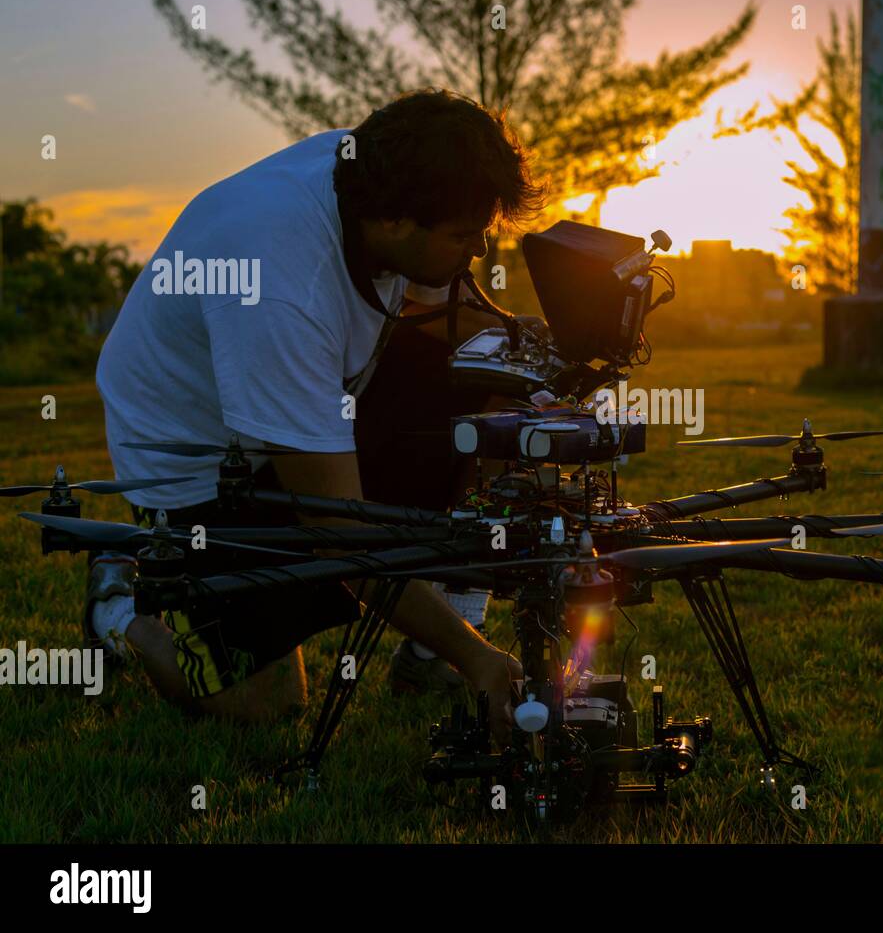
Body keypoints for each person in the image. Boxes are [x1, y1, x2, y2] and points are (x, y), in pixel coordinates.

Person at [86, 88, 546, 742]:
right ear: (392, 223)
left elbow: (444, 314)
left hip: (309, 390)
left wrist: (543, 360)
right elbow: (339, 533)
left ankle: (429, 649)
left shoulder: (379, 171)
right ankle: (119, 604)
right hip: (195, 461)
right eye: (461, 235)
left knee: (499, 392)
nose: (477, 249)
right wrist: (479, 660)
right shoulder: (277, 286)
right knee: (265, 700)